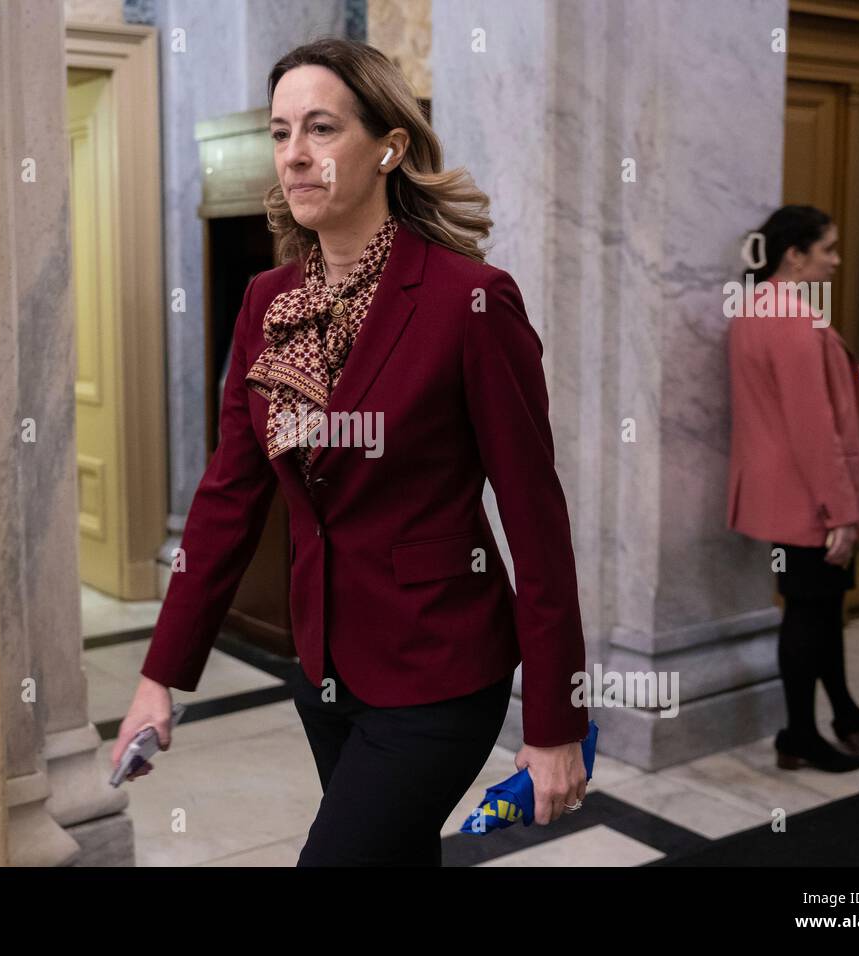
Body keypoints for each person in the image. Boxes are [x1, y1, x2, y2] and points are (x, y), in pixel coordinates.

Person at [111, 38, 591, 865]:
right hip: (324, 668)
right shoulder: (269, 301)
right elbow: (230, 495)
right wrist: (162, 674)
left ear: (389, 148)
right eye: (280, 131)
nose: (294, 154)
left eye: (322, 128)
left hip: (440, 668)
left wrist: (557, 724)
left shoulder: (469, 302)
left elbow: (535, 520)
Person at [726, 204, 859, 774]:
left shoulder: (756, 307)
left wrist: (854, 374)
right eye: (828, 248)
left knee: (822, 607)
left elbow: (793, 399)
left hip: (781, 488)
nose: (836, 260)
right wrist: (840, 512)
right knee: (808, 610)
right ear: (794, 255)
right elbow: (810, 426)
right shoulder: (796, 317)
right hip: (809, 495)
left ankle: (843, 712)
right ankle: (798, 734)